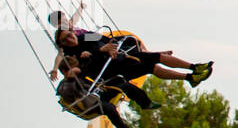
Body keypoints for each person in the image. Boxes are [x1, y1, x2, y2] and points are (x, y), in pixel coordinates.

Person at [54, 29, 212, 91]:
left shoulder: (86, 35)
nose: (69, 39)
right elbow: (83, 70)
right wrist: (98, 52)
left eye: (69, 35)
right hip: (111, 70)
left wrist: (112, 47)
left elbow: (108, 39)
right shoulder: (71, 55)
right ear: (62, 44)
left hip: (121, 58)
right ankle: (192, 73)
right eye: (65, 39)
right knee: (154, 63)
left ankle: (192, 72)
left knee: (156, 62)